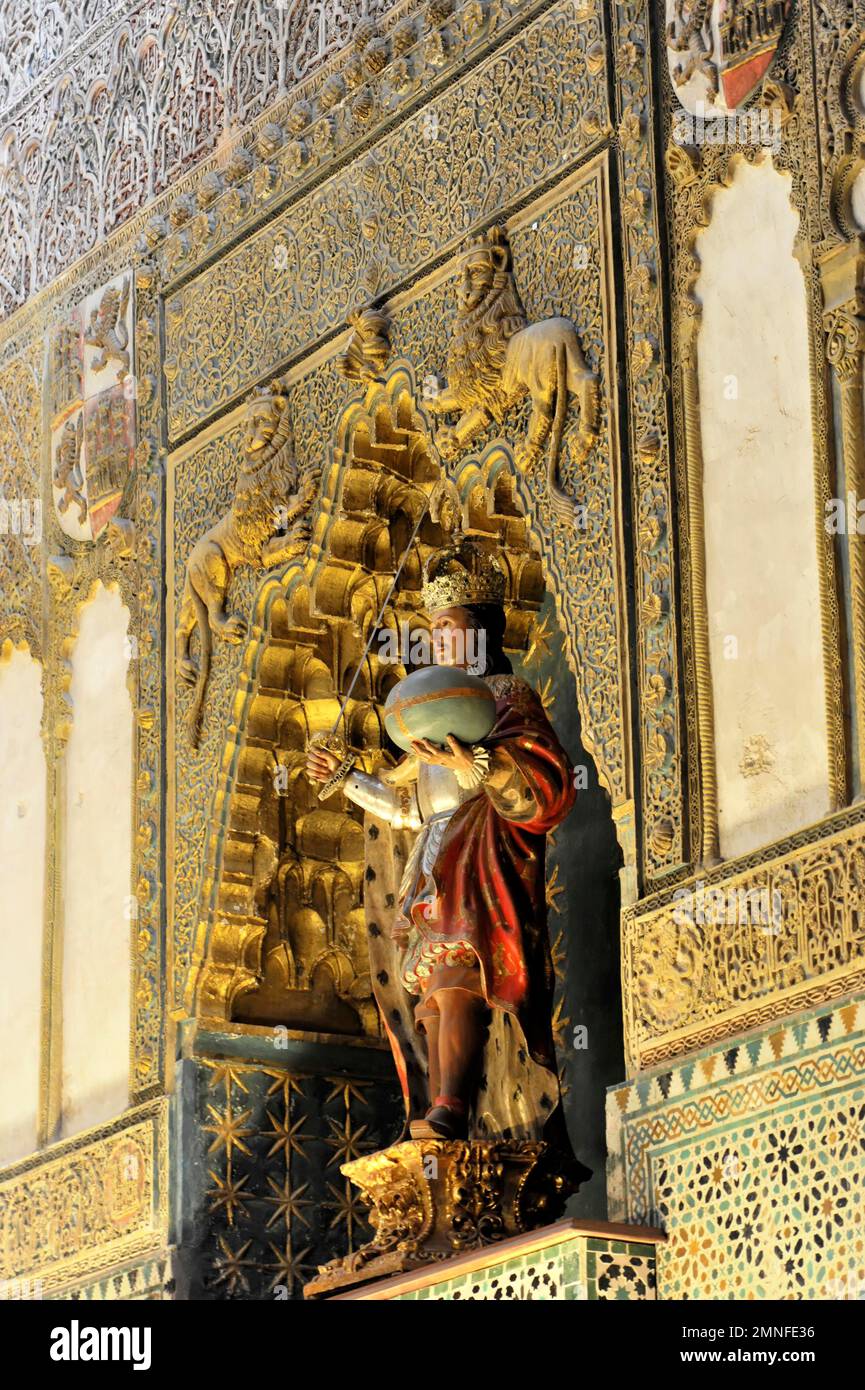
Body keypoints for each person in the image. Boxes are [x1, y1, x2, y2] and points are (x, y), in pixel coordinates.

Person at [306, 538, 582, 1157]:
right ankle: (440, 1103)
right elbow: (410, 806)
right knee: (430, 994)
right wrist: (344, 777)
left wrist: (483, 761)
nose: (439, 643)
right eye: (432, 632)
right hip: (432, 864)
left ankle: (451, 1107)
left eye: (450, 630)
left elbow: (543, 786)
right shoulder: (428, 724)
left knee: (459, 978)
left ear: (480, 634)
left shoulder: (505, 699)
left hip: (479, 865)